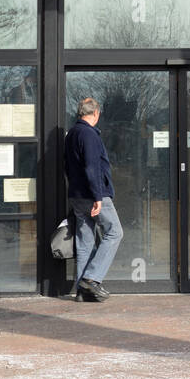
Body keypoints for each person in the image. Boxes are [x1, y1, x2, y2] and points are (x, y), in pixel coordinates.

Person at [63, 97, 123, 302]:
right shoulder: (88, 134)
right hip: (93, 195)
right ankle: (91, 279)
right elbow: (91, 167)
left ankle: (82, 292)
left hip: (77, 195)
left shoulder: (72, 134)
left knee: (85, 241)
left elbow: (67, 166)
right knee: (115, 232)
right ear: (95, 113)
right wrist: (98, 196)